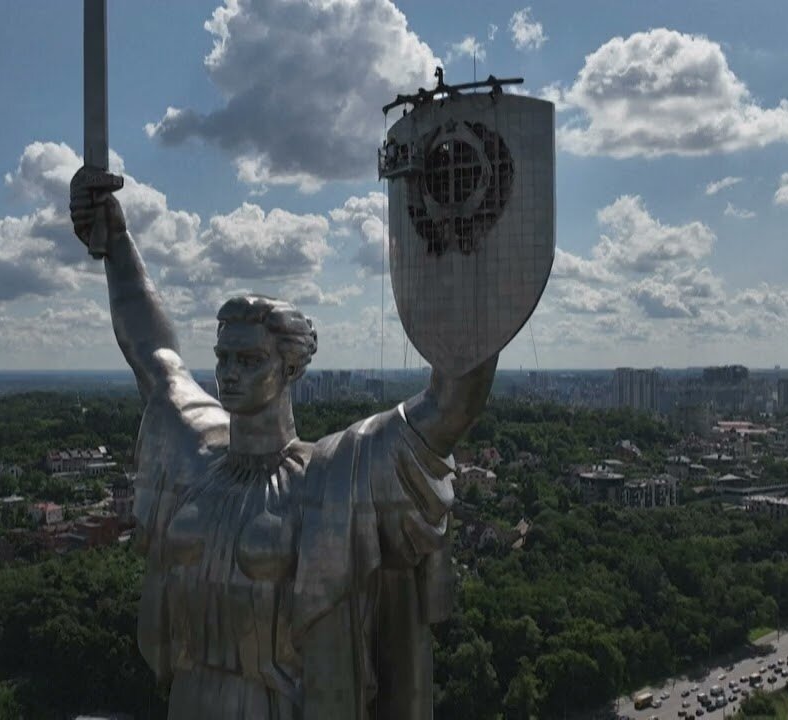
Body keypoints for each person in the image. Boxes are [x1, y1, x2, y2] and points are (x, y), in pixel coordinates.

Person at [70, 168, 496, 719]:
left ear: (290, 366)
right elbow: (152, 352)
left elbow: (451, 404)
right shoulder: (194, 455)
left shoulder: (331, 479)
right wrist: (115, 240)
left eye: (250, 360)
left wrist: (466, 235)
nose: (229, 374)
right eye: (224, 358)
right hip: (190, 700)